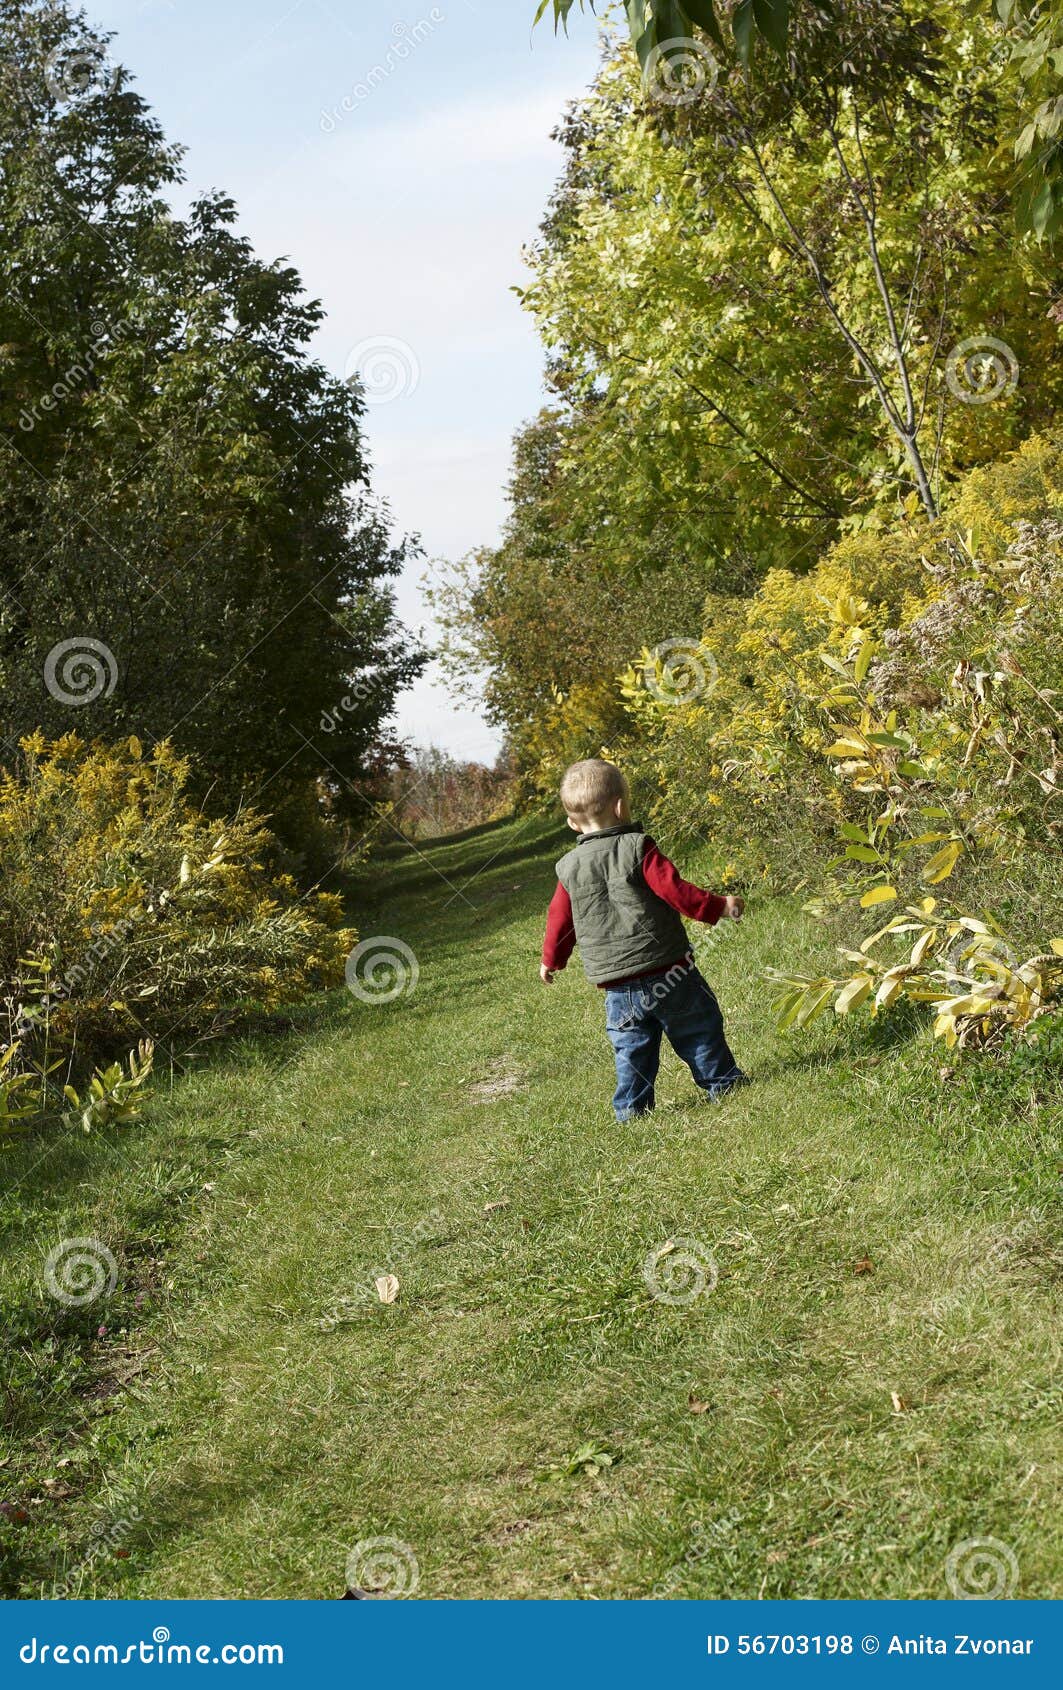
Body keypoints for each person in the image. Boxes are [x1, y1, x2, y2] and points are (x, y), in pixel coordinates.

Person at [540, 758, 748, 1122]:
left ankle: (631, 1110)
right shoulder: (638, 847)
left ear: (573, 823)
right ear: (621, 807)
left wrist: (552, 960)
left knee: (631, 1047)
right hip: (669, 970)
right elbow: (676, 892)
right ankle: (722, 1083)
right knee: (697, 1027)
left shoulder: (569, 867)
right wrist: (718, 907)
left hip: (618, 986)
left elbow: (561, 918)